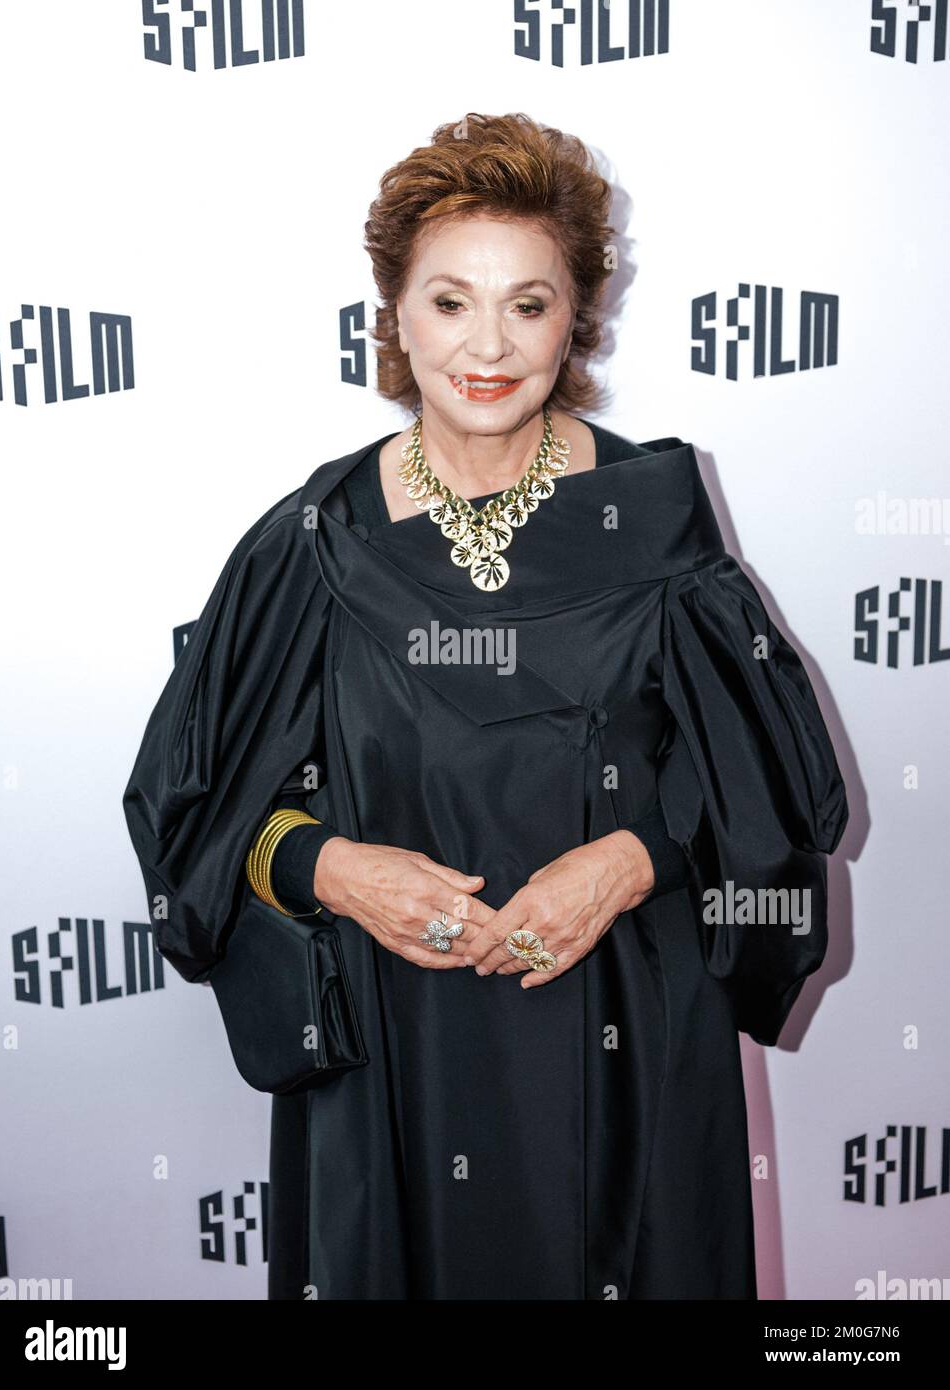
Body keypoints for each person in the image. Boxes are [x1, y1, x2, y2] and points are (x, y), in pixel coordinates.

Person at [122, 112, 849, 1300]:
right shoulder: (310, 545)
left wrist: (627, 861)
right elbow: (190, 815)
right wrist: (330, 870)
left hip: (630, 1032)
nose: (490, 345)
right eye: (451, 300)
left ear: (579, 320)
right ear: (396, 318)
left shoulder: (657, 524)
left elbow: (763, 791)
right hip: (394, 1053)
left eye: (531, 302)